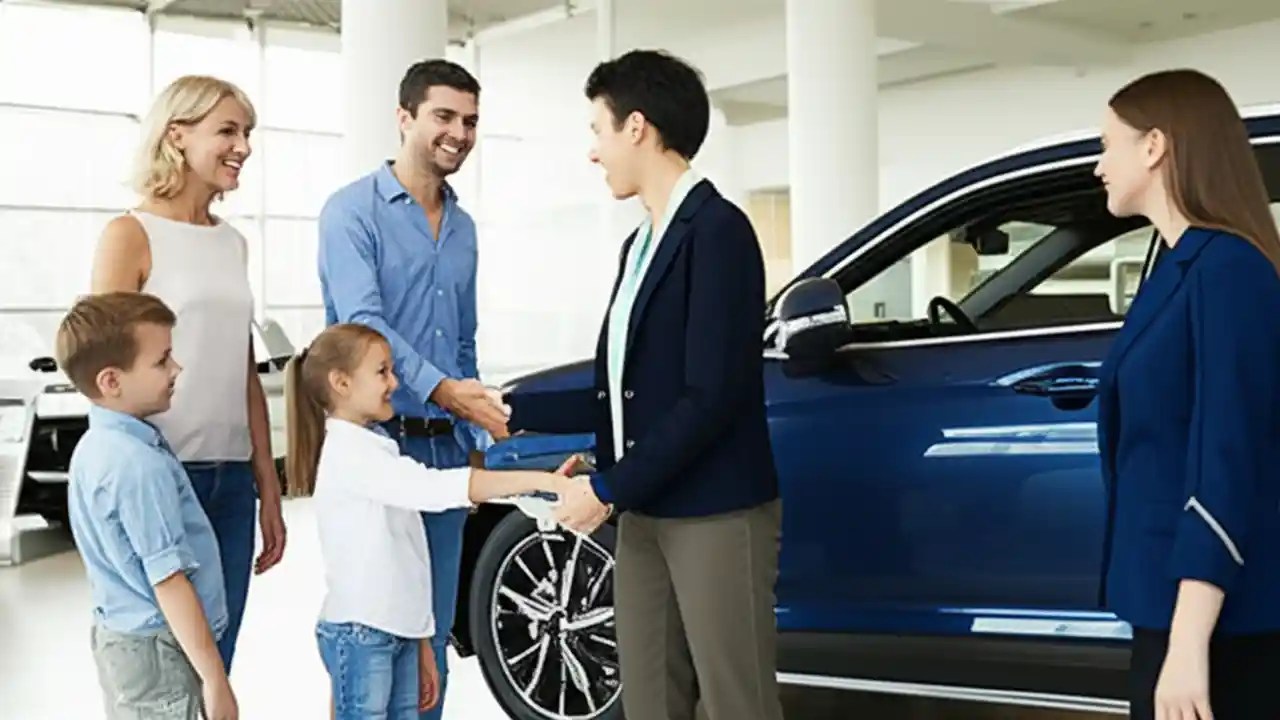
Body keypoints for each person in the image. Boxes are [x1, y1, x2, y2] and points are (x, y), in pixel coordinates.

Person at [507, 50, 783, 720]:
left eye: (597, 132)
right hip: (645, 509)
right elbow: (622, 387)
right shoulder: (641, 244)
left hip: (715, 512)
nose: (593, 153)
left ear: (637, 127)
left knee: (734, 702)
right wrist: (508, 408)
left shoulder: (718, 231)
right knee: (650, 701)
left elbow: (711, 395)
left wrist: (605, 489)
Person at [318, 59, 508, 718]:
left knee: (430, 647)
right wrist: (446, 391)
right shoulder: (351, 213)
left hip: (446, 455)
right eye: (445, 116)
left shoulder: (464, 229)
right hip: (378, 452)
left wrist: (477, 431)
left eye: (471, 121)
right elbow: (362, 323)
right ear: (405, 118)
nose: (460, 133)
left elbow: (462, 342)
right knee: (376, 642)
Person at [1094, 68, 1280, 720]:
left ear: (1154, 146)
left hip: (1220, 621)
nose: (1099, 166)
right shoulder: (1179, 265)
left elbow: (1225, 459)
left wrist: (1188, 641)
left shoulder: (1229, 271)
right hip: (1168, 603)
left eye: (1108, 144)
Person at [90, 74, 286, 672]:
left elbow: (242, 370)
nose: (243, 146)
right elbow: (103, 370)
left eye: (247, 132)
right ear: (177, 135)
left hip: (231, 482)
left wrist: (268, 482)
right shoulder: (130, 234)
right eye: (227, 130)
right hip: (161, 477)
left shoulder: (234, 243)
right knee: (166, 664)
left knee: (216, 661)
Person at [284, 322, 571, 720]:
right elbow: (435, 489)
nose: (395, 383)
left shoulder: (376, 447)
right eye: (382, 371)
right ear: (341, 383)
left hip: (397, 631)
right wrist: (540, 479)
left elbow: (409, 559)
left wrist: (421, 640)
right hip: (362, 636)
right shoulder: (351, 455)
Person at [57, 292, 237, 720]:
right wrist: (215, 678)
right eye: (162, 361)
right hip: (160, 651)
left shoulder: (97, 446)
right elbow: (168, 580)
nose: (176, 368)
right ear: (111, 381)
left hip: (126, 638)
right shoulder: (135, 465)